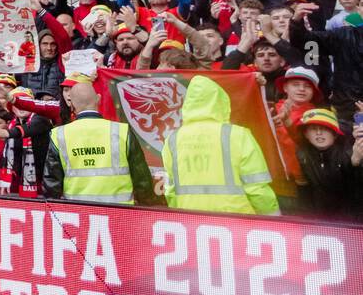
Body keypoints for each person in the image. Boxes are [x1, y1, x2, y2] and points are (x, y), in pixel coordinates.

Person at [160, 75, 279, 215]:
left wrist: (179, 214)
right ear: (220, 102)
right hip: (238, 220)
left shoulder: (172, 139)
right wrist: (272, 215)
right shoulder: (238, 135)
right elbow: (256, 188)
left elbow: (170, 189)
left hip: (190, 219)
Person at [43, 81, 157, 205]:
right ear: (98, 99)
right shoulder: (122, 131)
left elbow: (52, 184)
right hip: (121, 214)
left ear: (72, 104)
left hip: (78, 212)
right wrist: (147, 205)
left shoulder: (59, 134)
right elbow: (142, 179)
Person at [293, 107, 363, 218]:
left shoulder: (351, 151)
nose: (319, 133)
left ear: (335, 134)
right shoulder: (302, 154)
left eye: (324, 129)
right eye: (313, 128)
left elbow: (356, 190)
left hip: (348, 217)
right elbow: (305, 190)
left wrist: (356, 164)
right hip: (319, 216)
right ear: (306, 134)